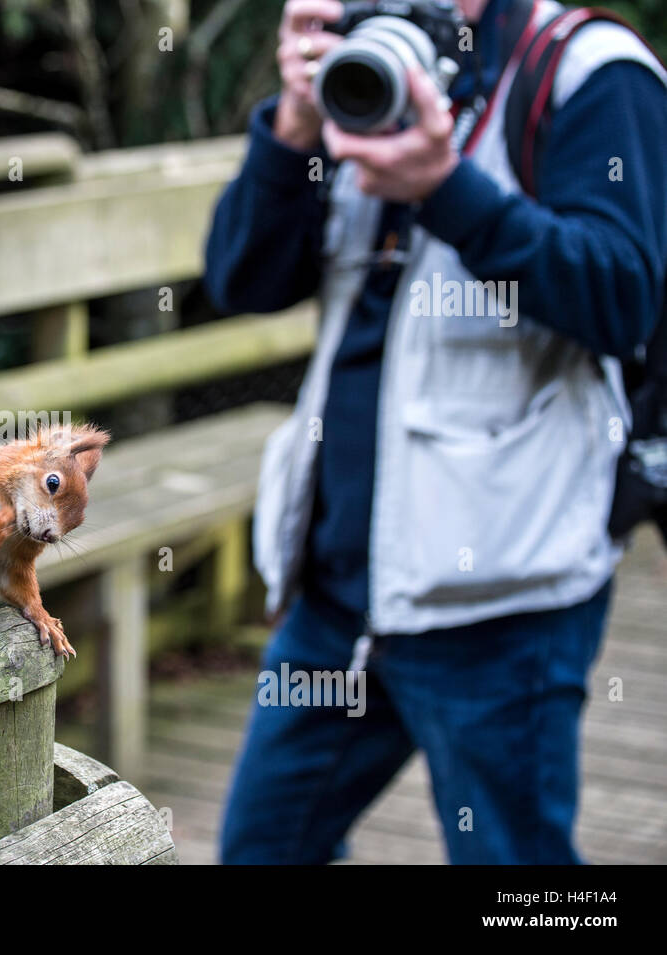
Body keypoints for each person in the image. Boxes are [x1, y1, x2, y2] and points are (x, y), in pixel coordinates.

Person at [205, 0, 667, 863]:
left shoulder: (590, 70)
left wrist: (447, 190)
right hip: (338, 590)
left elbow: (623, 294)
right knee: (262, 849)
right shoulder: (359, 60)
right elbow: (241, 279)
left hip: (502, 595)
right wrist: (295, 126)